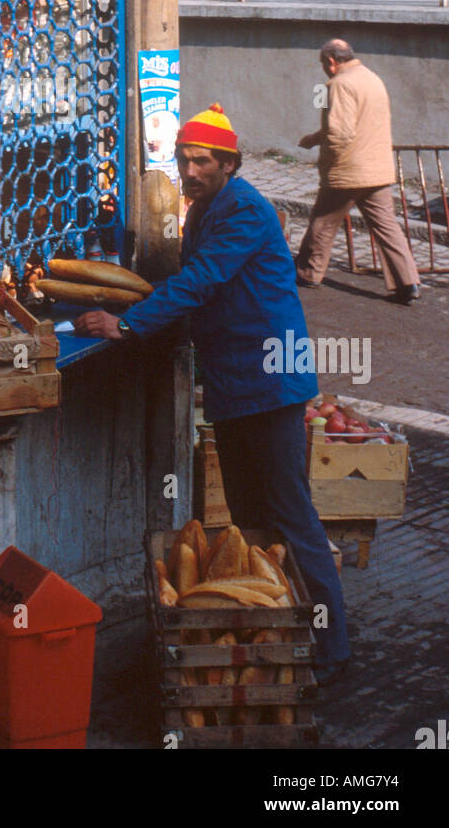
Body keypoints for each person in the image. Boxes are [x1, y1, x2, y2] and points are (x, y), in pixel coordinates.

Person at [74, 103, 350, 686]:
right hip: (235, 381)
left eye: (201, 160)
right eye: (182, 160)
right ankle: (271, 634)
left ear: (229, 163)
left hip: (270, 380)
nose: (190, 170)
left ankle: (329, 648)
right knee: (250, 523)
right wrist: (138, 311)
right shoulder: (204, 209)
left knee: (291, 517)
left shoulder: (245, 210)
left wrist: (128, 326)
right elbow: (189, 287)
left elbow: (202, 281)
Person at [296, 39, 419, 303]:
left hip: (348, 172)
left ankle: (308, 273)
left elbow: (340, 132)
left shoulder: (339, 85)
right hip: (378, 169)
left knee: (323, 222)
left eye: (323, 64)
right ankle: (406, 281)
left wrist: (326, 161)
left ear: (331, 61)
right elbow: (356, 122)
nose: (323, 70)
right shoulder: (372, 79)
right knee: (388, 228)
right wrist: (314, 138)